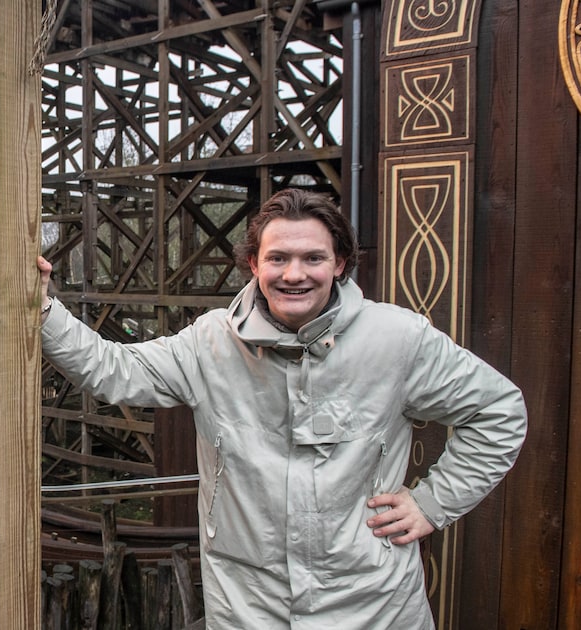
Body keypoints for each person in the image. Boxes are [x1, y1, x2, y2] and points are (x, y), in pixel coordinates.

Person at [36, 188, 526, 629]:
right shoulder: (210, 343)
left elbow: (499, 411)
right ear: (254, 263)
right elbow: (112, 369)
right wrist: (43, 308)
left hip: (372, 606)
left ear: (340, 263)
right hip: (250, 607)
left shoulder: (398, 339)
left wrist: (432, 504)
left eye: (313, 257)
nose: (294, 274)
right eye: (278, 258)